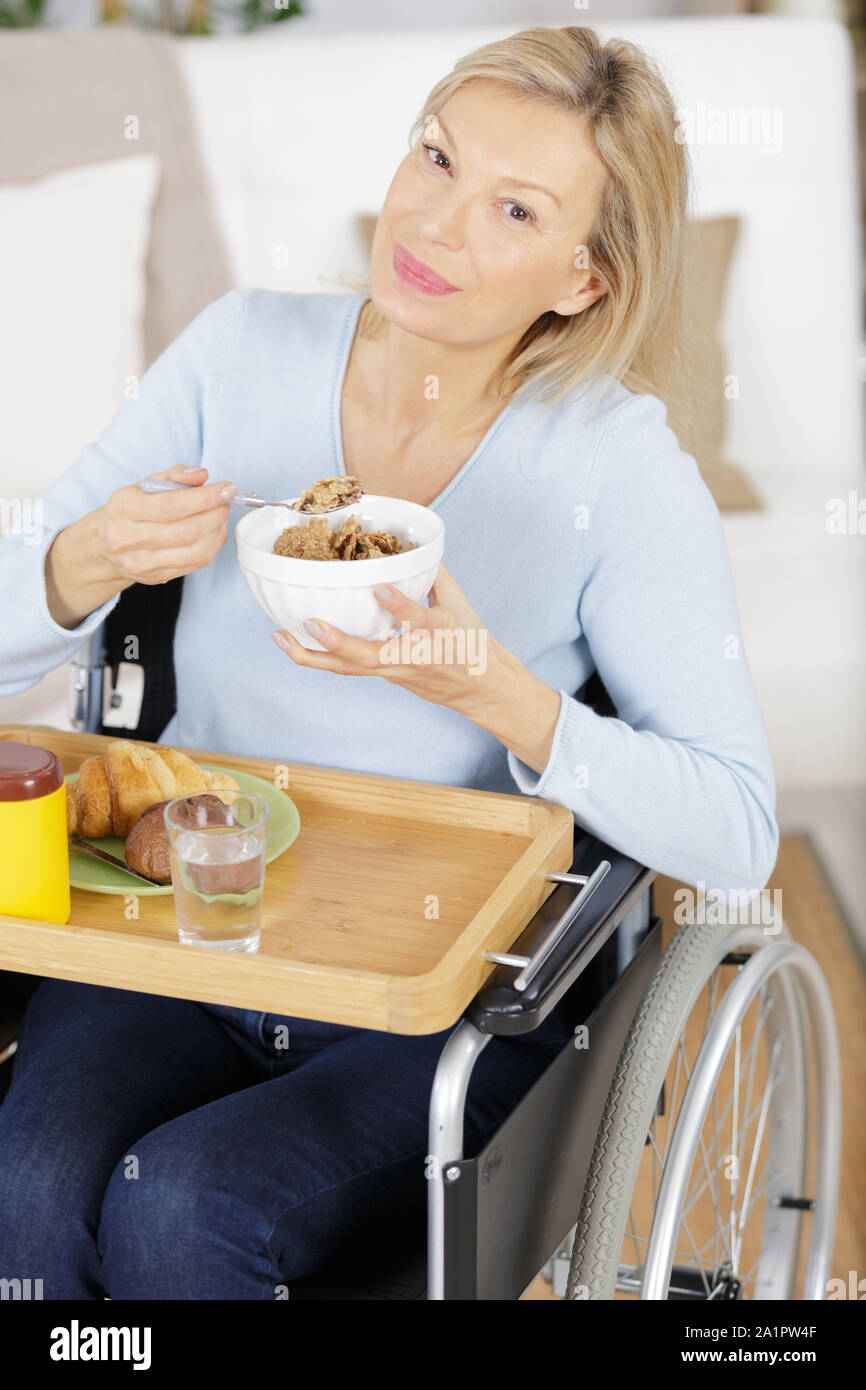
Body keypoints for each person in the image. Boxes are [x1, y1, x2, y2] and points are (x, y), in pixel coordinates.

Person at [0, 24, 778, 1299]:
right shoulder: (235, 353)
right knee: (27, 1186)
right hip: (191, 932)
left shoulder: (616, 466)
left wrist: (499, 696)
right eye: (435, 159)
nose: (433, 226)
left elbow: (735, 828)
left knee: (187, 1209)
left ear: (582, 278)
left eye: (512, 208)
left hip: (445, 985)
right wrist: (76, 564)